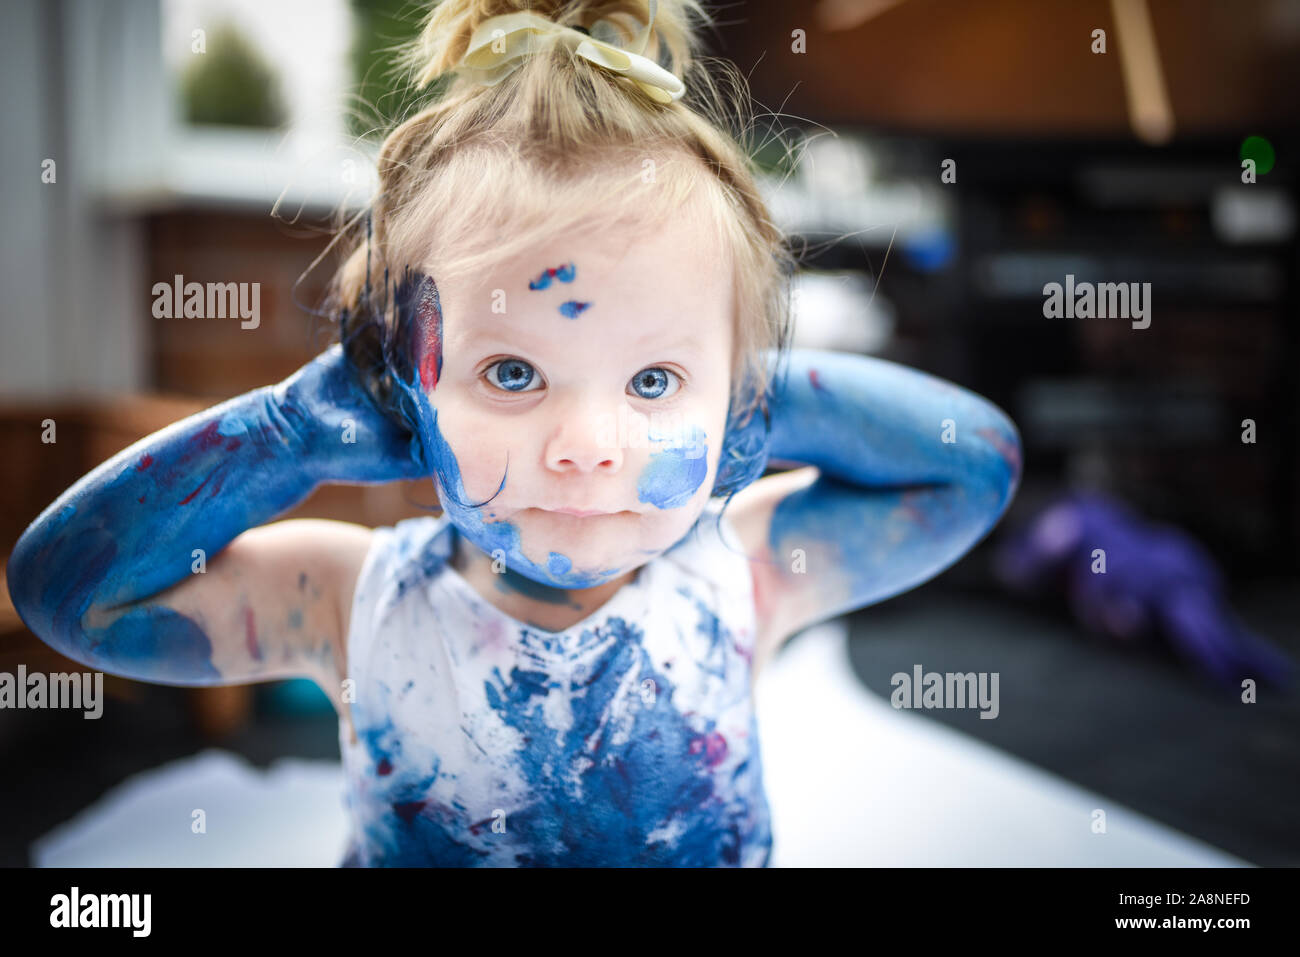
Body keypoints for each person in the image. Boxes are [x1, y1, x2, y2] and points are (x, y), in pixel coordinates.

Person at [6, 0, 1021, 866]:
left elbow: (972, 466)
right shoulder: (345, 597)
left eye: (654, 377)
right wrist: (289, 433)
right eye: (511, 372)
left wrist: (759, 409)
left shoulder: (747, 571)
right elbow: (66, 596)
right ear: (404, 394)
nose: (586, 443)